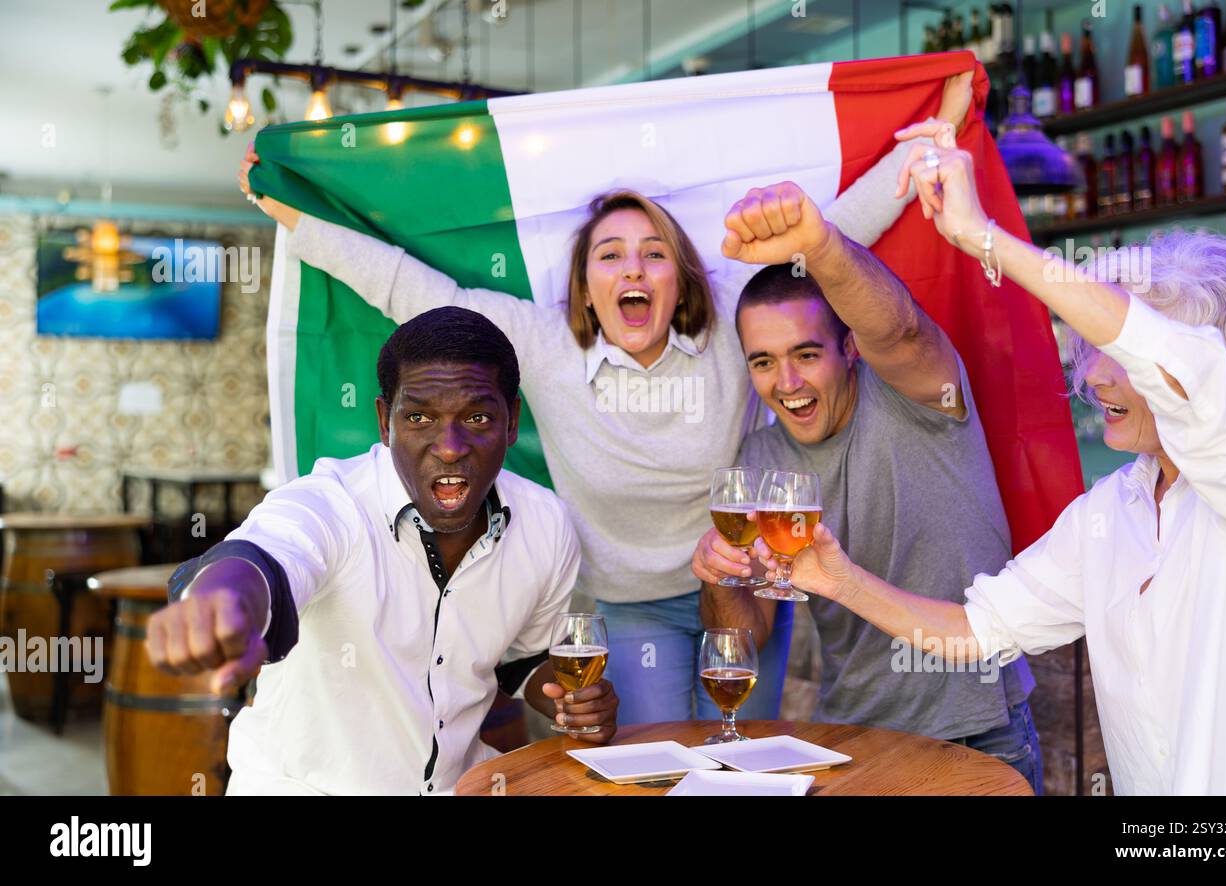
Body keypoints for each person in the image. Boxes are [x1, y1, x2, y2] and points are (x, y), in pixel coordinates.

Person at [234, 73, 977, 725]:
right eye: (610, 255)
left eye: (655, 253)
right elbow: (412, 291)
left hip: (741, 589)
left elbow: (831, 241)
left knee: (743, 763)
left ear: (682, 277)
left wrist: (926, 146)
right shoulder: (543, 341)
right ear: (584, 283)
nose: (634, 268)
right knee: (657, 766)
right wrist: (292, 212)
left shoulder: (729, 325)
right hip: (627, 605)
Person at [749, 126, 1226, 794]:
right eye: (1094, 355)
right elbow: (976, 631)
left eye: (1120, 361)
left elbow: (1175, 361)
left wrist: (983, 237)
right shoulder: (1111, 512)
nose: (1096, 378)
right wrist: (837, 579)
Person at [146, 306, 618, 795]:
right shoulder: (334, 503)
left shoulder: (546, 524)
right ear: (385, 423)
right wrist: (225, 596)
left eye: (477, 417)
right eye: (419, 417)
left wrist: (572, 702)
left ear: (512, 420)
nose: (450, 446)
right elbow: (267, 554)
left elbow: (521, 659)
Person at [691, 173, 1042, 793]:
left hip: (978, 730)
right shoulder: (759, 460)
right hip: (851, 739)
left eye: (806, 354)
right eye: (764, 362)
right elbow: (748, 635)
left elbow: (901, 331)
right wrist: (720, 577)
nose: (787, 383)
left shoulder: (918, 393)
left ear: (849, 348)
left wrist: (819, 244)